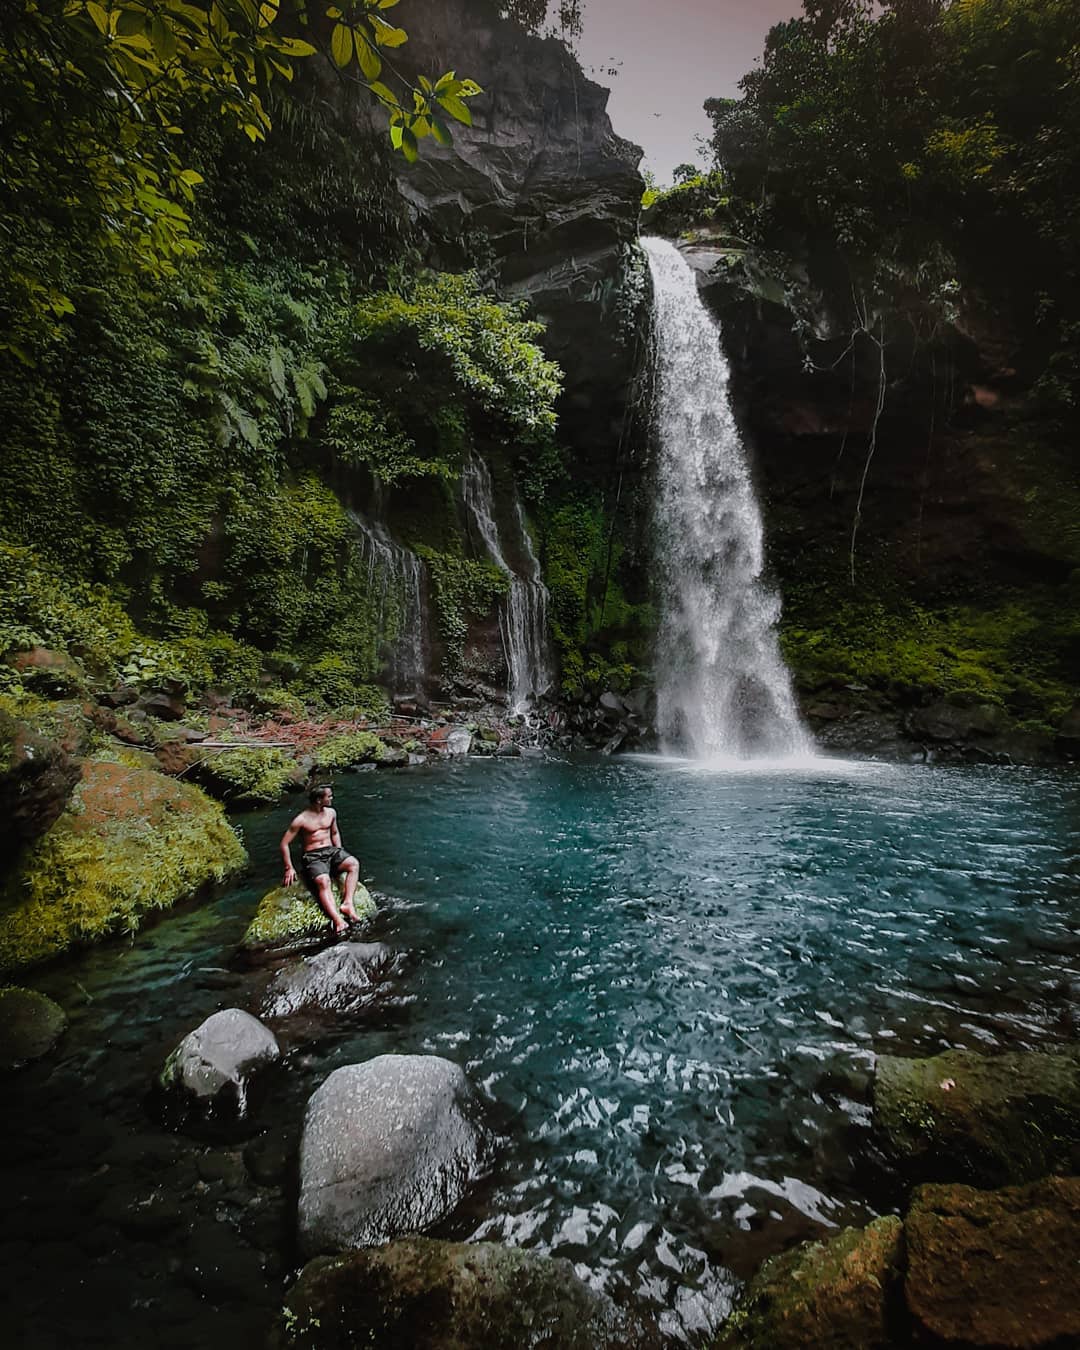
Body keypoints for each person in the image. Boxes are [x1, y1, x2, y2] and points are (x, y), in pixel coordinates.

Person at [279, 785, 362, 936]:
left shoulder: (331, 813)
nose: (331, 798)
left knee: (353, 864)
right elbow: (284, 843)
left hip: (331, 851)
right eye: (329, 796)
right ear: (319, 800)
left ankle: (347, 904)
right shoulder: (301, 819)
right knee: (324, 881)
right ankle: (337, 920)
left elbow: (335, 832)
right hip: (313, 856)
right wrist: (288, 868)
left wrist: (340, 850)